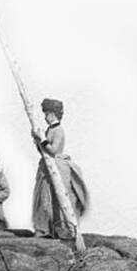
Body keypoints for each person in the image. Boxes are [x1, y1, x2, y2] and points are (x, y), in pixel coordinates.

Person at [31, 98, 88, 240]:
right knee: (44, 199)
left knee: (58, 199)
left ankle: (64, 230)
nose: (45, 117)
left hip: (57, 169)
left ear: (53, 114)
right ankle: (44, 229)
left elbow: (54, 150)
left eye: (47, 114)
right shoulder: (49, 129)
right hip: (46, 168)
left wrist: (42, 139)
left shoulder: (58, 130)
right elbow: (43, 151)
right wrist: (37, 140)